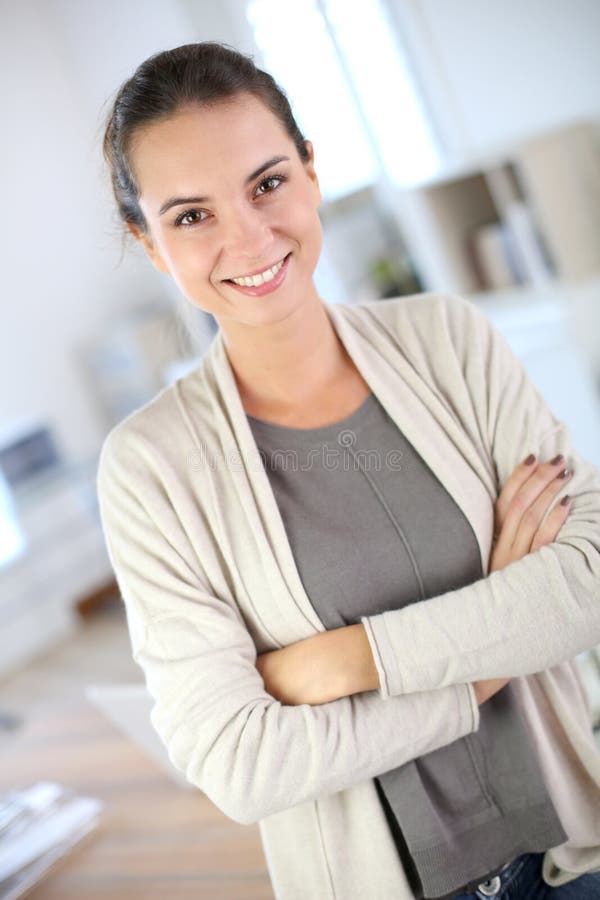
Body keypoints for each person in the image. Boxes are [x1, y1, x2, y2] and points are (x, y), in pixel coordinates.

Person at [97, 42, 600, 900]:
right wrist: (490, 653)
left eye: (267, 183)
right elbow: (240, 762)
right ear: (148, 243)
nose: (250, 237)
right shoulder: (151, 472)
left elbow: (586, 581)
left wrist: (348, 661)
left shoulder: (449, 338)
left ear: (311, 171)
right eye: (190, 216)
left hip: (577, 851)